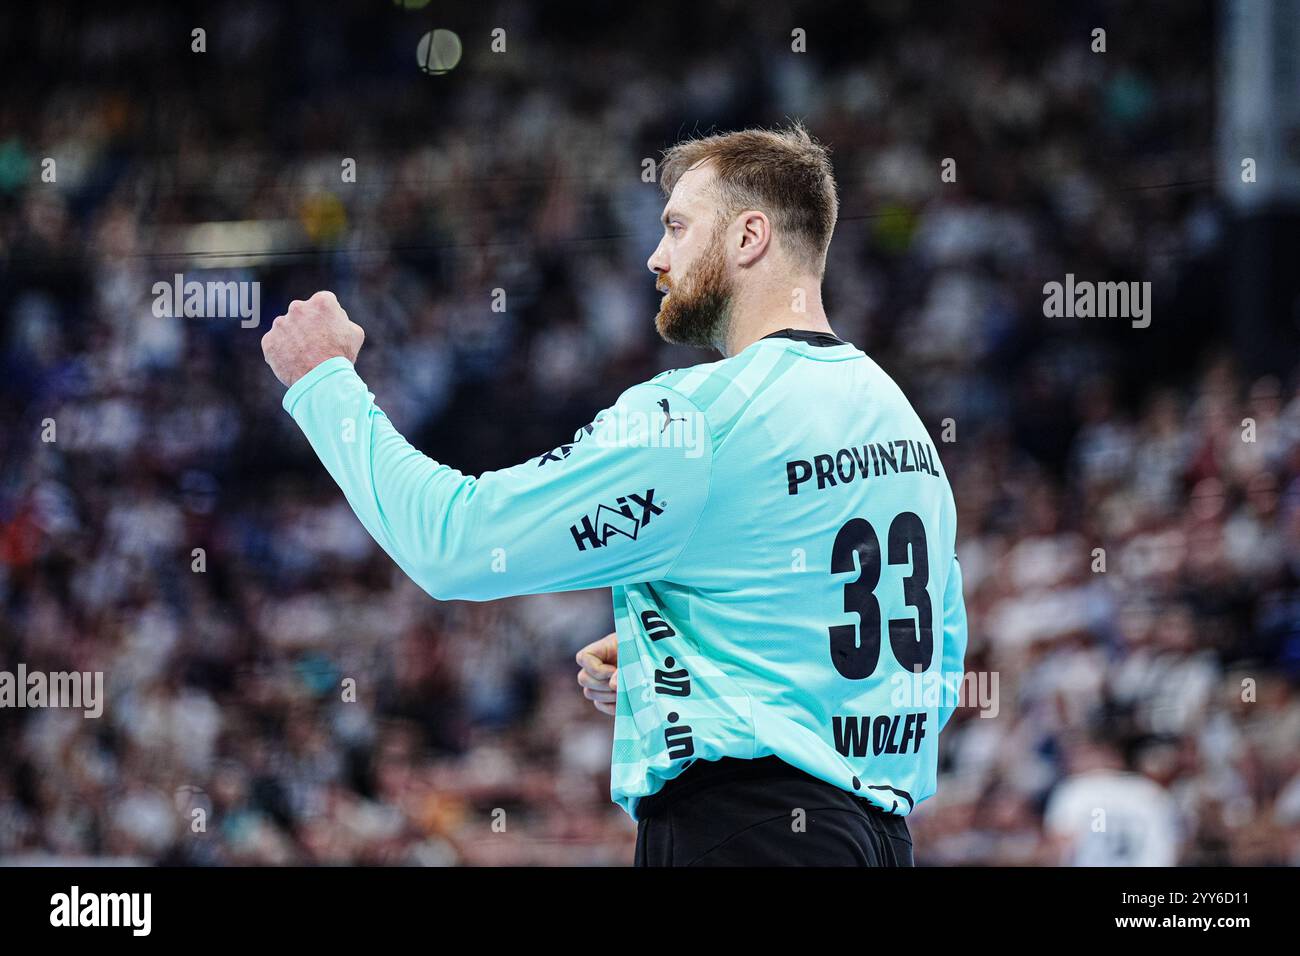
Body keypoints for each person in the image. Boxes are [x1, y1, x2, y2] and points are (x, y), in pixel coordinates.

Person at [261, 124, 967, 866]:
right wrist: (698, 671)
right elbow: (932, 678)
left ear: (749, 236)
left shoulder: (698, 417)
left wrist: (324, 383)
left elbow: (456, 545)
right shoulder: (903, 425)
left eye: (676, 227)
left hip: (743, 831)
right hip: (880, 839)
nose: (655, 257)